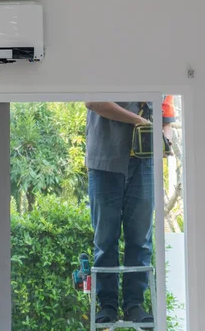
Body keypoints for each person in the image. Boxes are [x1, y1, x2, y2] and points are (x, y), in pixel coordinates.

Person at [84, 97, 175, 326]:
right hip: (105, 161)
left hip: (145, 163)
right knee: (105, 239)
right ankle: (108, 306)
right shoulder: (108, 64)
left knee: (141, 240)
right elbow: (93, 100)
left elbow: (166, 118)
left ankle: (135, 305)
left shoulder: (161, 72)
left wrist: (165, 142)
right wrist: (140, 122)